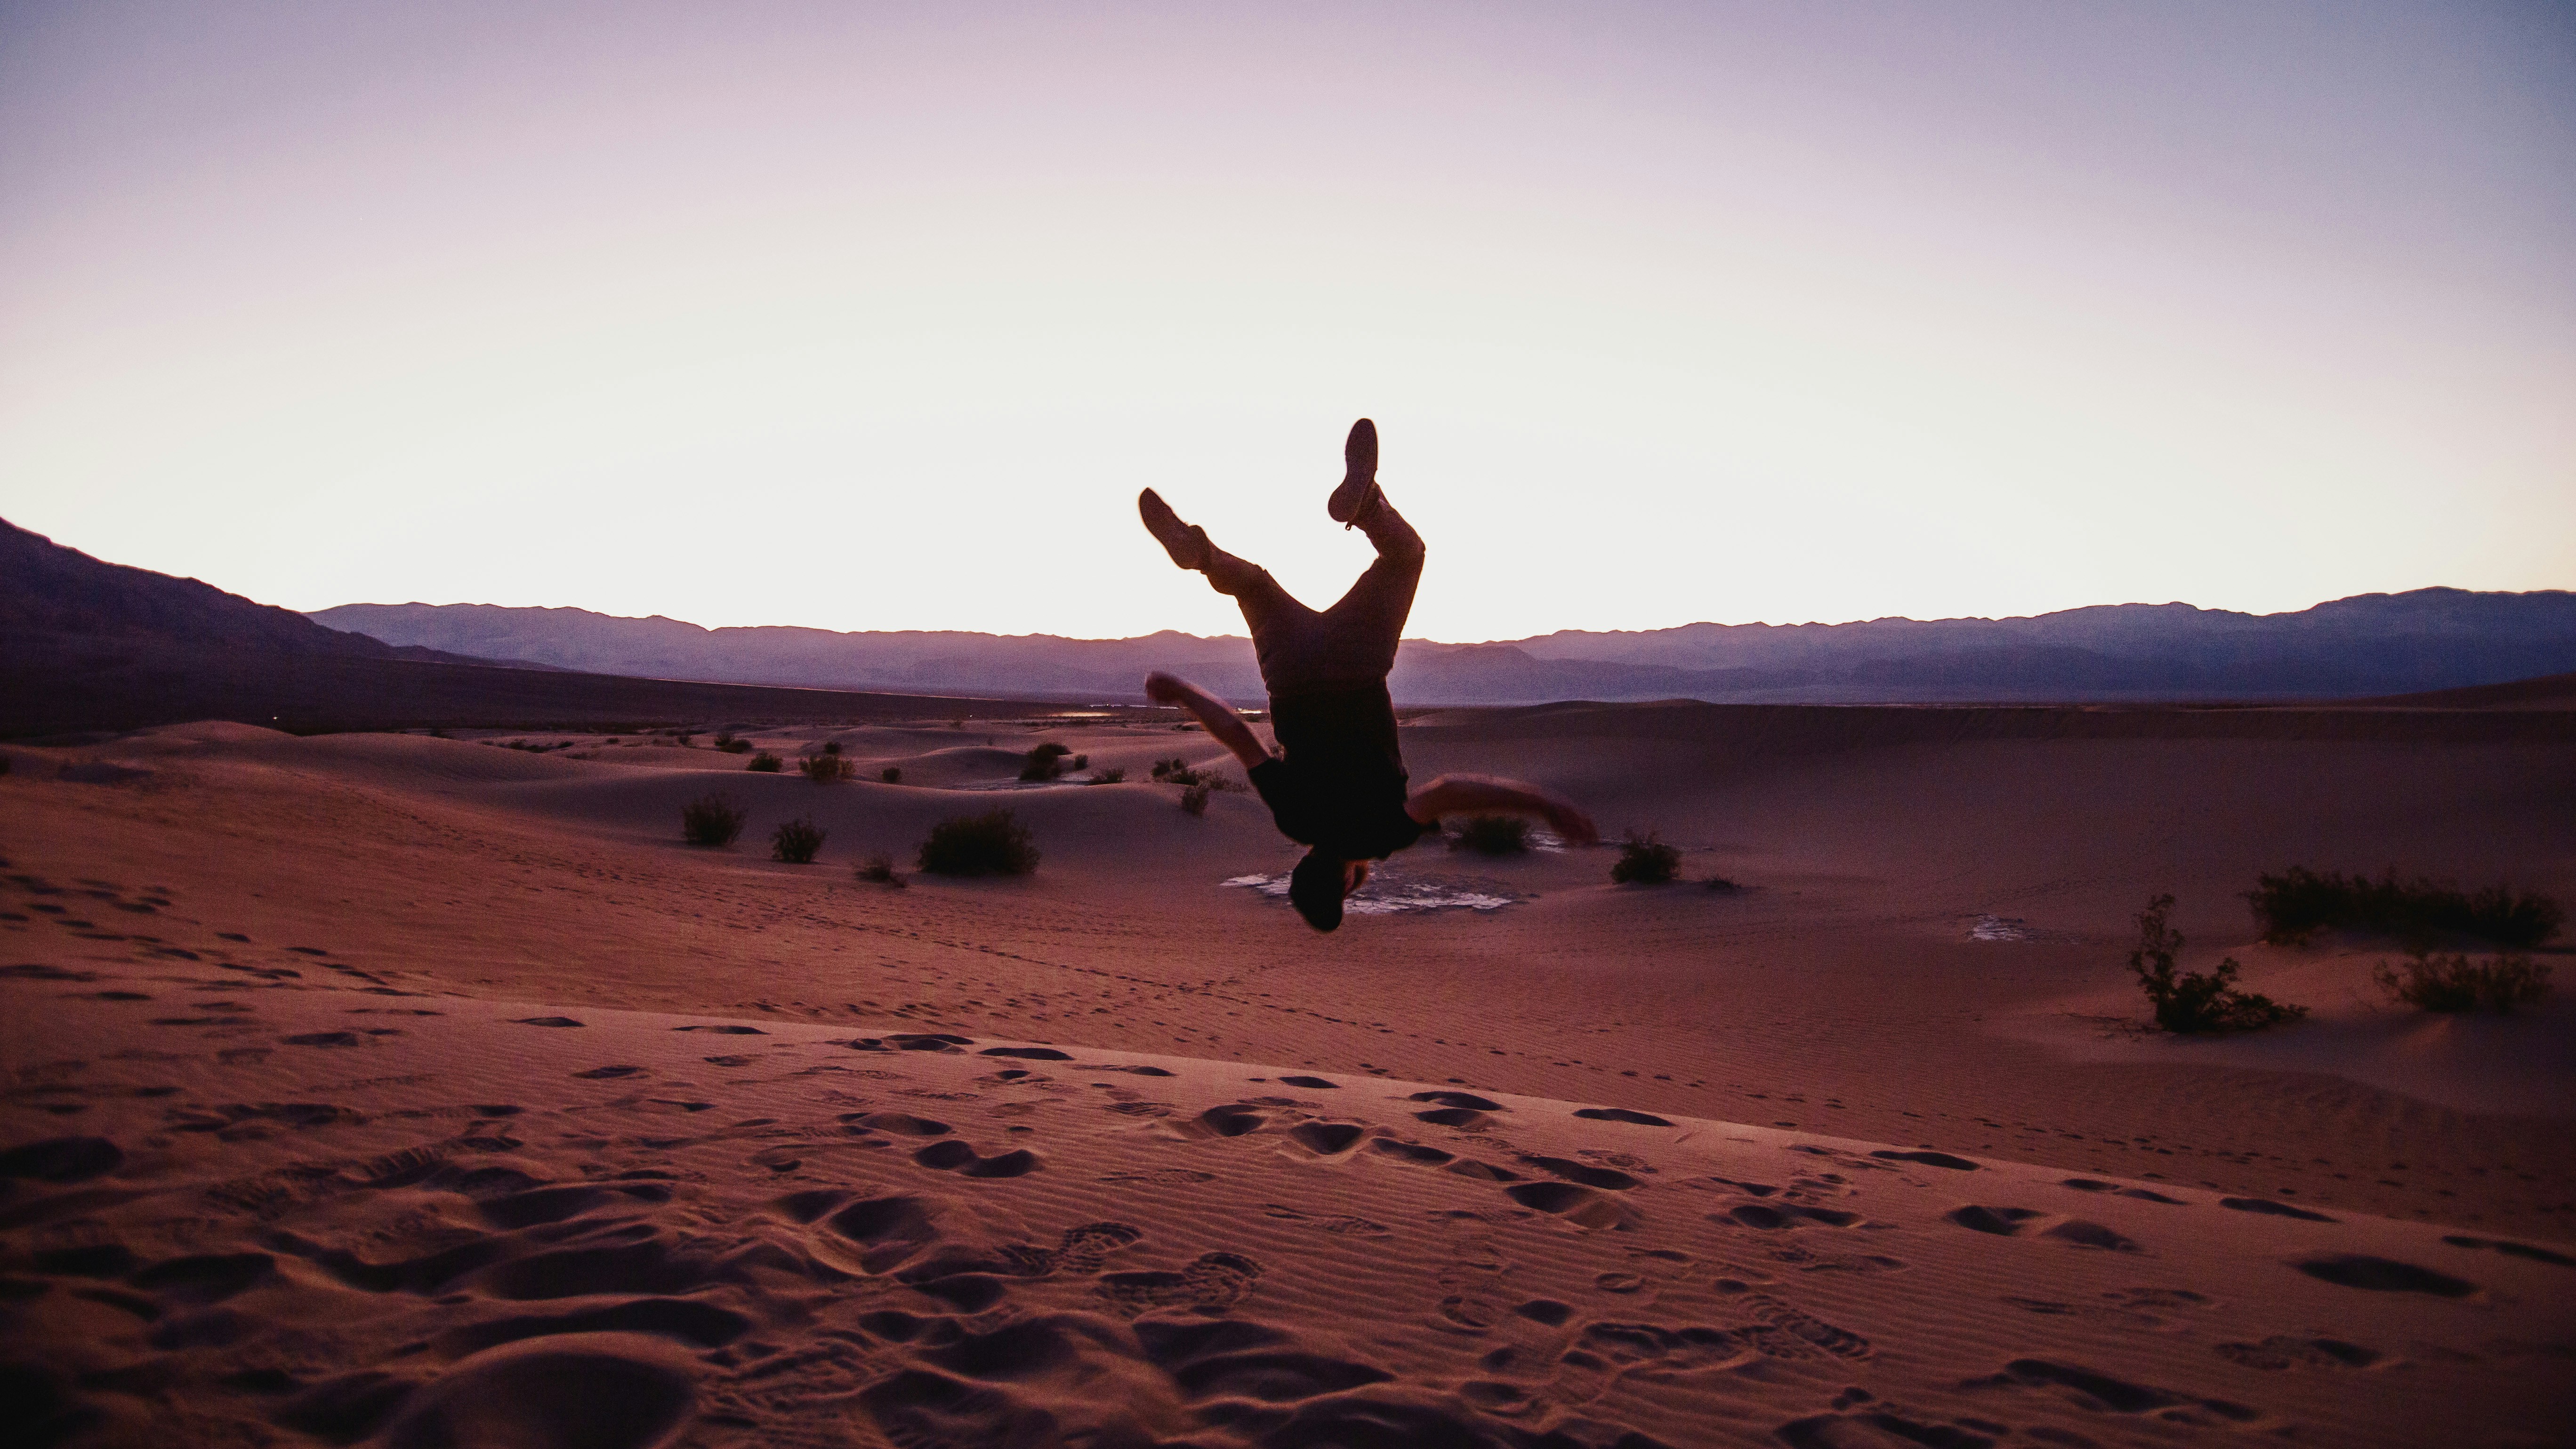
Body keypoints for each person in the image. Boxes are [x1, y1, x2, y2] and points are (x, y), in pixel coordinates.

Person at [1138, 418, 1598, 932]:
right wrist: (1181, 691)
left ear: (1342, 884)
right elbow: (1239, 735)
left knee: (1407, 558)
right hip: (1288, 672)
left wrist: (1543, 804)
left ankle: (1368, 508)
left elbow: (1449, 791)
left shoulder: (1383, 835)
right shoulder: (1292, 818)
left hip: (1357, 664)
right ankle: (1204, 557)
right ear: (1301, 867)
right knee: (1253, 586)